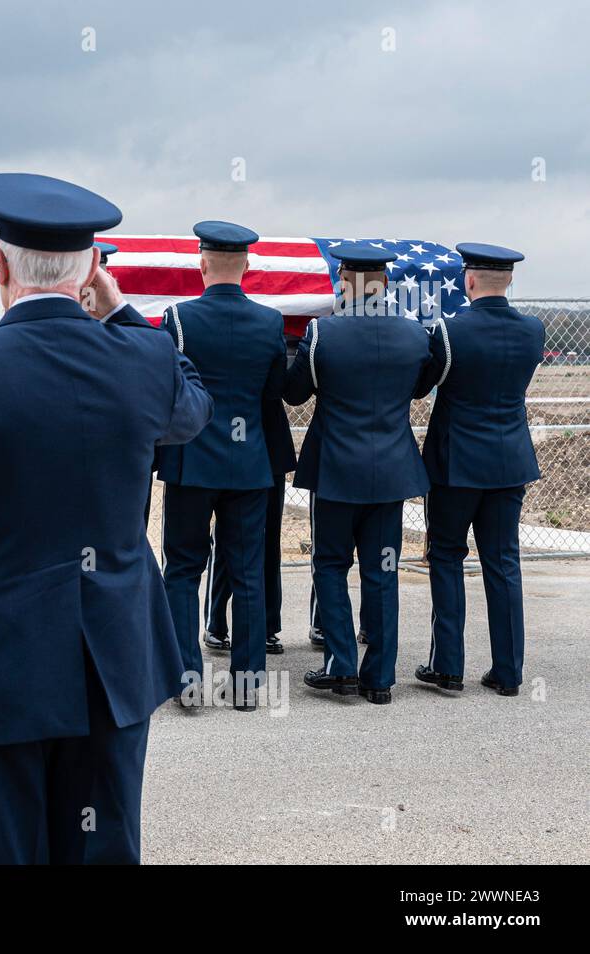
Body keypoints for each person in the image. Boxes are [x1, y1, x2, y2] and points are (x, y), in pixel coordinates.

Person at [0, 173, 211, 864]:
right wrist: (122, 315)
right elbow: (192, 410)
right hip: (114, 665)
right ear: (94, 269)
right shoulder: (141, 360)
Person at [283, 245, 435, 704]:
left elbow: (294, 395)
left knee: (330, 564)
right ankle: (380, 678)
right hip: (391, 469)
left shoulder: (322, 333)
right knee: (382, 570)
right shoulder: (414, 335)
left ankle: (341, 664)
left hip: (336, 469)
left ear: (344, 282)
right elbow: (417, 389)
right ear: (384, 284)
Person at [156, 221, 287, 710]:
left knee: (184, 569)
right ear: (246, 266)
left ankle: (186, 679)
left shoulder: (179, 319)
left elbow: (167, 387)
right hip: (250, 461)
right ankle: (249, 685)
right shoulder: (270, 323)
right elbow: (273, 395)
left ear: (202, 264)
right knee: (249, 570)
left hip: (192, 462)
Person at [415, 244, 544, 697]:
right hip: (510, 463)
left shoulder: (449, 332)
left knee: (446, 557)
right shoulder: (533, 330)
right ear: (508, 280)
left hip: (456, 466)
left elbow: (421, 385)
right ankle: (508, 671)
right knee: (503, 562)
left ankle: (447, 666)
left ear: (469, 281)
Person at [202, 388, 296, 657]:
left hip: (267, 435)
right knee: (229, 536)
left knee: (268, 538)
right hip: (223, 433)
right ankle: (216, 621)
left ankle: (266, 625)